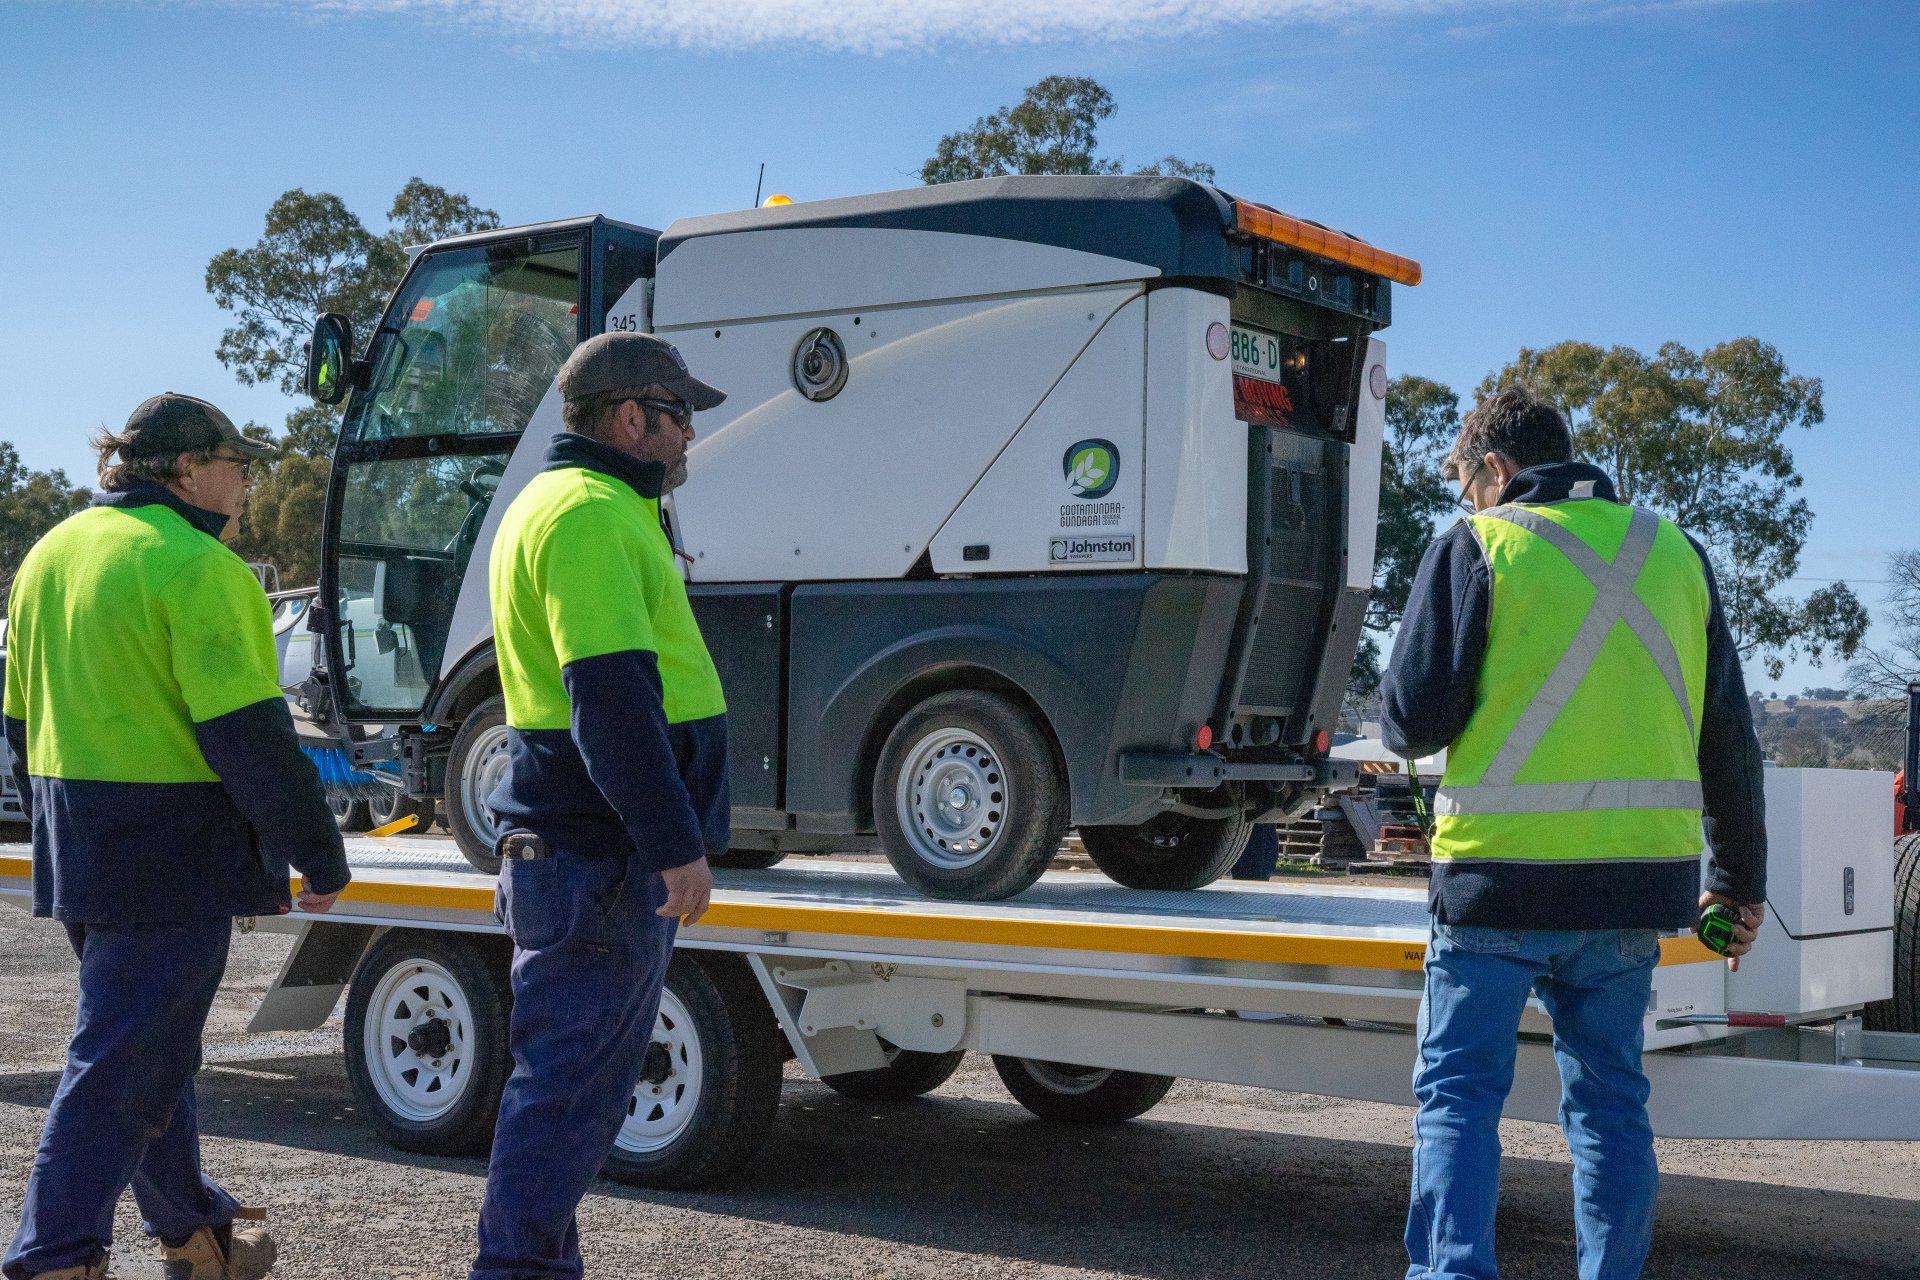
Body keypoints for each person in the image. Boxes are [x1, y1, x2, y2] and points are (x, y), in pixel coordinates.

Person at [1379, 385, 1768, 1280]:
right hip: (1633, 893)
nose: (1466, 502)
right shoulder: (1678, 554)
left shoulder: (1480, 544)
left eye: (1465, 484)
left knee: (1459, 1100)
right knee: (1609, 1107)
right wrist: (1739, 884)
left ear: (1496, 469)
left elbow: (1410, 724)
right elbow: (1730, 741)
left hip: (1496, 887)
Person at [2, 394, 351, 1280]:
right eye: (239, 464)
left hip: (78, 840)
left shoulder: (50, 554)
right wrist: (320, 850)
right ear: (188, 469)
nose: (246, 482)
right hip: (172, 857)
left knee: (148, 1048)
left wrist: (54, 819)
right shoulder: (197, 567)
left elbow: (16, 720)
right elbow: (249, 737)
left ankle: (196, 1234)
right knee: (120, 1066)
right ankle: (54, 1256)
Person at [471, 332, 731, 1280]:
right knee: (567, 1099)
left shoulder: (572, 504)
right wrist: (676, 846)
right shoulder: (588, 513)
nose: (691, 433)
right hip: (601, 860)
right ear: (632, 418)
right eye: (680, 413)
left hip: (581, 856)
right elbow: (611, 699)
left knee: (568, 1098)